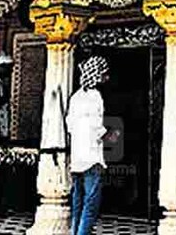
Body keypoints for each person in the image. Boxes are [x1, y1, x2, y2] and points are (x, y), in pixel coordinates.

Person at [67, 56, 111, 235]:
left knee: (77, 204)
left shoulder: (76, 97)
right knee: (90, 204)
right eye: (104, 73)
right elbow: (96, 127)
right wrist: (109, 135)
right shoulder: (95, 96)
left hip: (77, 158)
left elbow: (70, 125)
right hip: (92, 158)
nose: (106, 77)